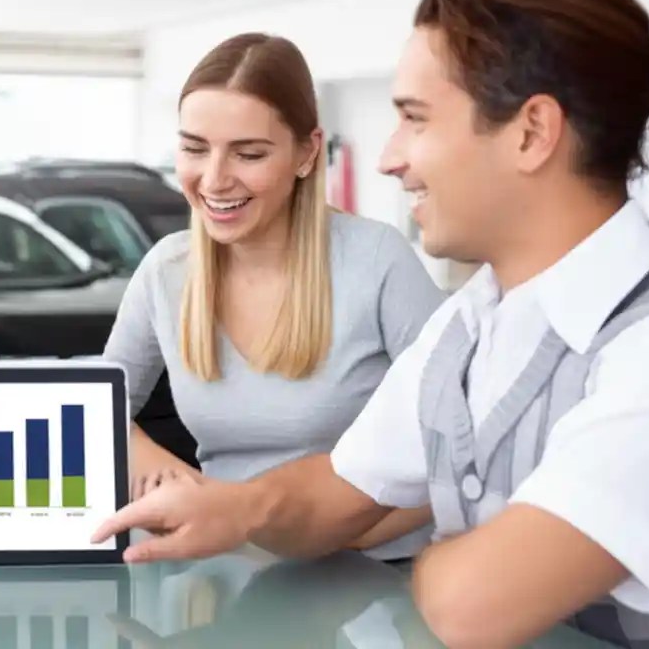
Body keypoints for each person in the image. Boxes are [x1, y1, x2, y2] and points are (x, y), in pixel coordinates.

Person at [93, 0, 649, 648]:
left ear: (531, 133)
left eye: (415, 119)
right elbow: (337, 491)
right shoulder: (471, 321)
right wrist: (236, 510)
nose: (388, 158)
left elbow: (473, 606)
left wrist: (430, 540)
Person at [104, 32, 445, 560]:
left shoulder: (377, 260)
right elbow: (98, 407)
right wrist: (157, 467)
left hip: (371, 573)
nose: (214, 179)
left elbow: (461, 441)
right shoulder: (166, 270)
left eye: (249, 154)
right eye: (194, 148)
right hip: (226, 568)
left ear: (307, 152)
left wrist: (326, 530)